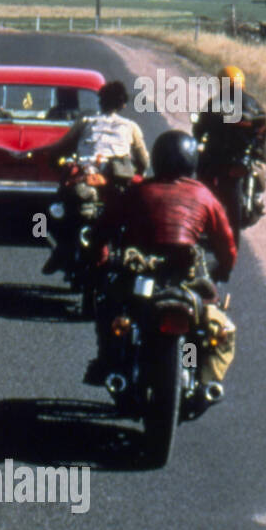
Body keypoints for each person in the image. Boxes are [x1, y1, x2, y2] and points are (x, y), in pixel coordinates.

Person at [88, 130, 237, 391]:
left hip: (141, 271)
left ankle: (108, 361)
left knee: (109, 307)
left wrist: (101, 257)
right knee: (212, 322)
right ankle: (205, 379)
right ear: (192, 162)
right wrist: (223, 268)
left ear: (157, 159)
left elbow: (103, 228)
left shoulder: (137, 192)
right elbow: (227, 243)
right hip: (186, 273)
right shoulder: (204, 195)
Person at [18, 80, 150, 275]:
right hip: (117, 181)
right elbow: (143, 161)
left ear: (100, 101)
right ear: (122, 104)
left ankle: (62, 249)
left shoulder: (86, 122)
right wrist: (138, 173)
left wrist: (54, 162)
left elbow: (61, 147)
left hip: (85, 176)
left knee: (58, 208)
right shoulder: (131, 127)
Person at [192, 64, 266, 211]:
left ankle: (200, 202)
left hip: (219, 153)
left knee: (201, 170)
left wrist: (200, 137)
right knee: (260, 161)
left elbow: (200, 127)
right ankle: (257, 197)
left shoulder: (215, 102)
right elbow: (264, 126)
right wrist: (259, 146)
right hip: (242, 153)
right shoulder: (254, 103)